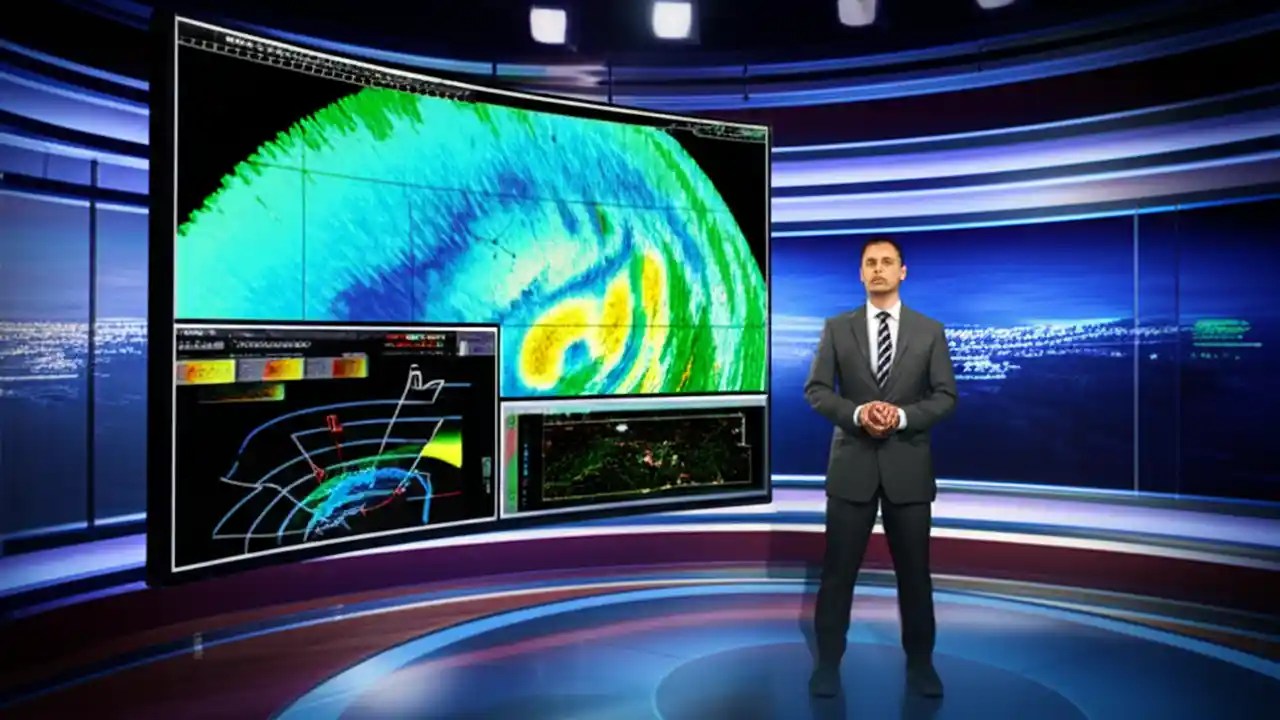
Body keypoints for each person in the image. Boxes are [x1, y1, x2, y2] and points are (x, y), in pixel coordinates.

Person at [803, 236, 957, 699]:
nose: (878, 269)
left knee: (915, 575)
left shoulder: (929, 330)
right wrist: (857, 415)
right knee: (838, 573)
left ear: (902, 272)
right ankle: (827, 665)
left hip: (908, 471)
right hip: (851, 470)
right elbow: (817, 390)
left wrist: (902, 417)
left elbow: (945, 395)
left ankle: (922, 665)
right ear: (860, 273)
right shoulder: (837, 327)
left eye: (887, 262)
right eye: (870, 263)